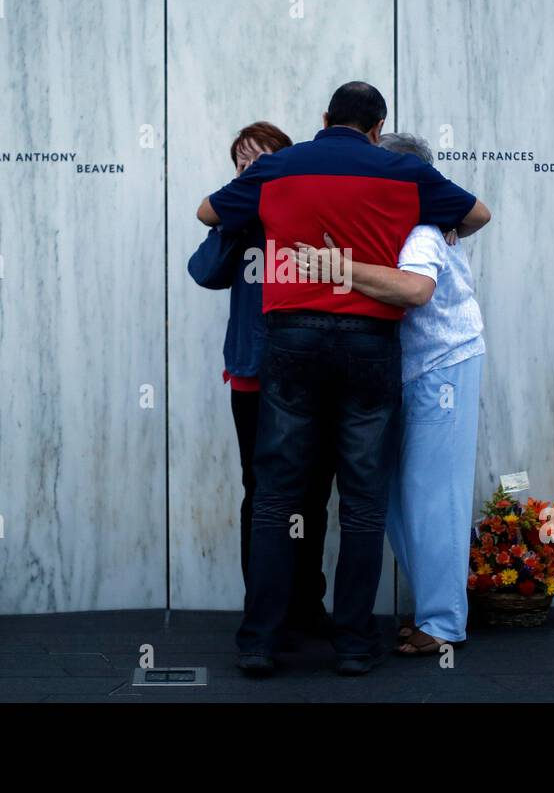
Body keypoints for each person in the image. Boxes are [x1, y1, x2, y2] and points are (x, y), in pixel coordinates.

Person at [195, 82, 491, 676]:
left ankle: (260, 640)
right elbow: (477, 214)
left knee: (276, 493)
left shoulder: (280, 167)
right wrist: (438, 220)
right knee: (362, 500)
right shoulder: (400, 173)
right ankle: (355, 645)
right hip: (367, 342)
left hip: (292, 341)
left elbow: (208, 212)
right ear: (378, 127)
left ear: (325, 118)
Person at [296, 132, 485, 657]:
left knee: (432, 499)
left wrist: (338, 268)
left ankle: (444, 624)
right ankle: (432, 611)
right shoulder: (397, 227)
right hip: (409, 372)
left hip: (444, 366)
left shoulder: (425, 230)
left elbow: (415, 291)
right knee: (402, 502)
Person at [186, 121, 334, 640]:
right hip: (252, 374)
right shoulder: (240, 221)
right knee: (261, 491)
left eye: (260, 159)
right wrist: (234, 216)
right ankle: (264, 610)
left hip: (311, 375)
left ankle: (307, 605)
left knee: (313, 493)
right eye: (241, 164)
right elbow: (203, 272)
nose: (250, 170)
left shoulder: (308, 211)